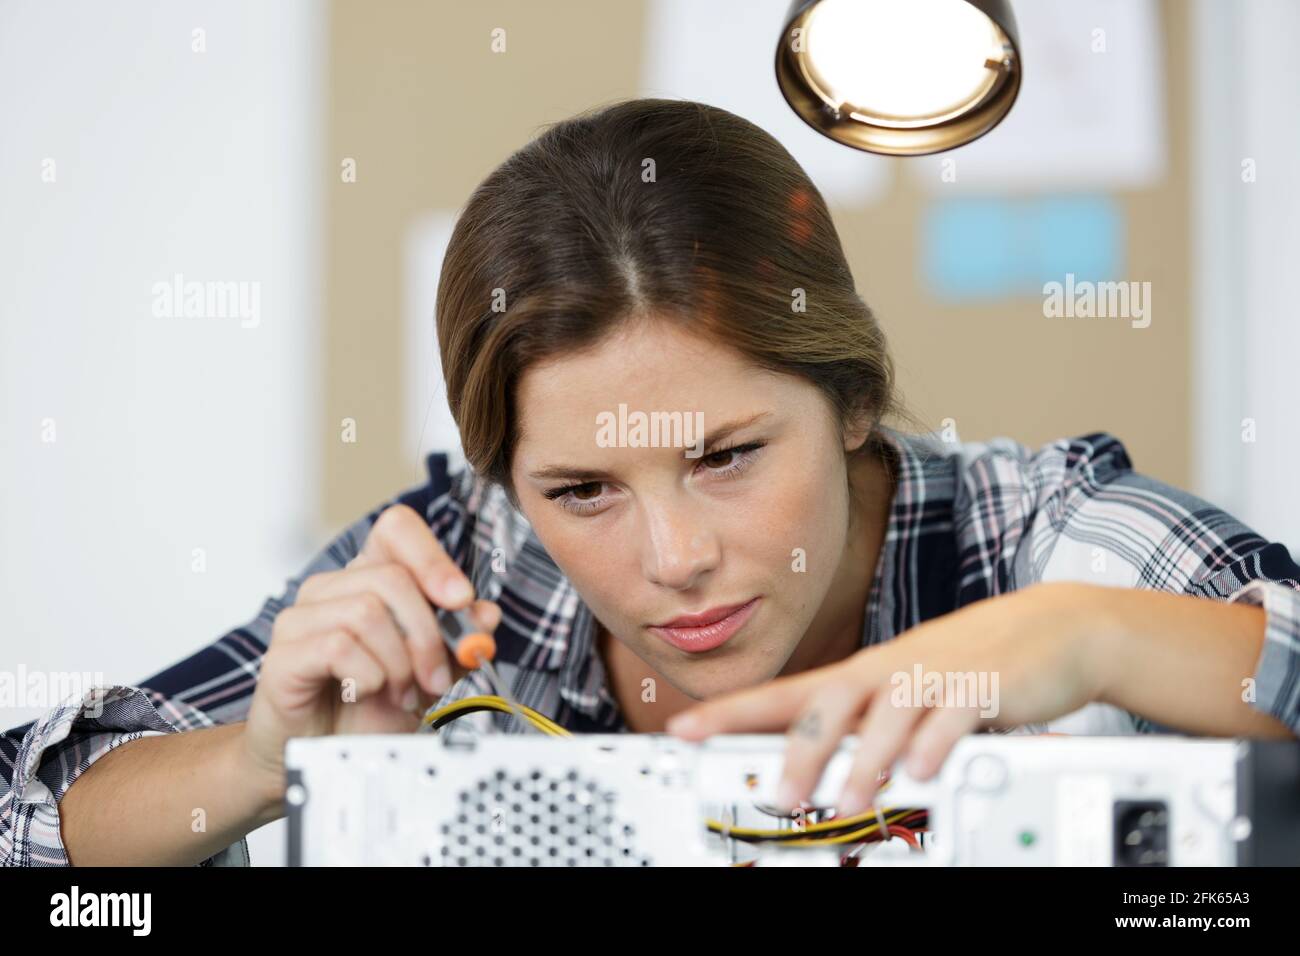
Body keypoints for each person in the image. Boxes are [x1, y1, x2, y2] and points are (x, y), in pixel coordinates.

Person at [3, 98, 1297, 867]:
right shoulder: (457, 570)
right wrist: (263, 762)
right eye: (584, 491)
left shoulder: (1043, 545)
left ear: (851, 397)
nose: (673, 557)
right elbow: (31, 825)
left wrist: (1091, 639)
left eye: (726, 457)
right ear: (509, 482)